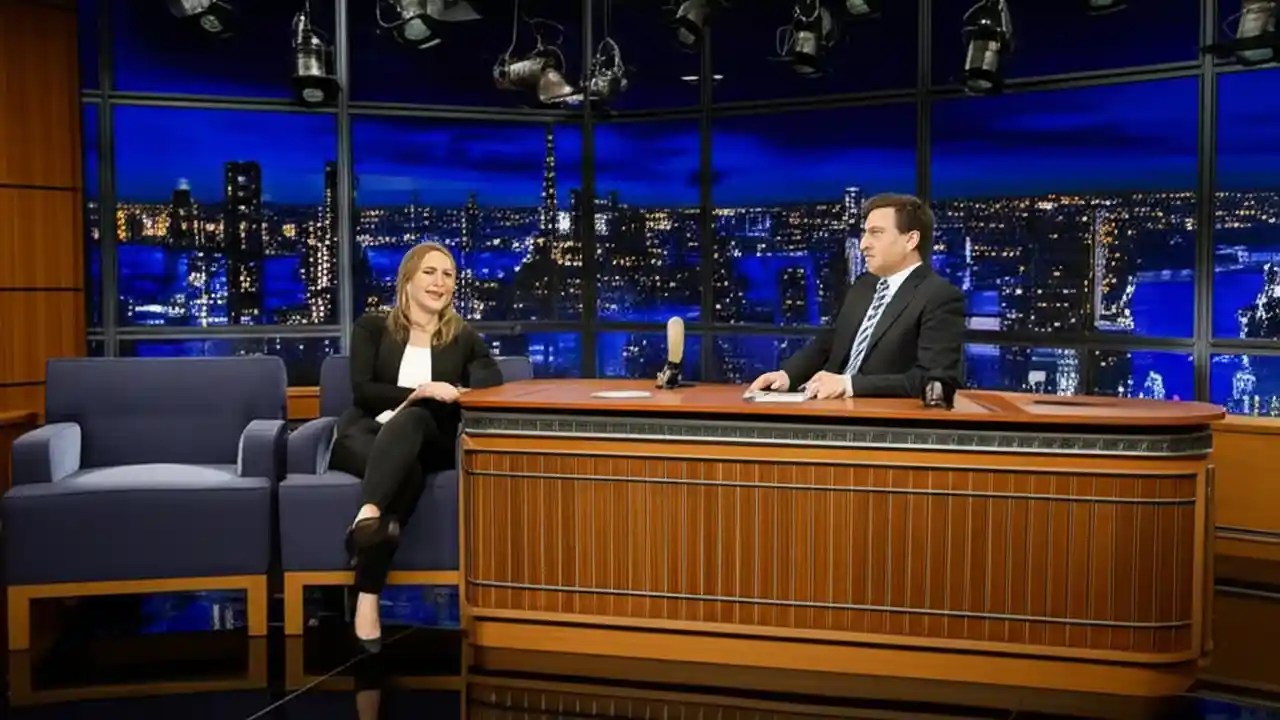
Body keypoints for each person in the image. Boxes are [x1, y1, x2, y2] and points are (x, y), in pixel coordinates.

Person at [327, 241, 502, 652]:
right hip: (368, 434)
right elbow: (364, 390)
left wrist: (460, 389)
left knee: (417, 419)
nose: (440, 282)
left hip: (426, 437)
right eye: (430, 272)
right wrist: (419, 391)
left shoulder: (461, 336)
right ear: (407, 279)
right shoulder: (373, 327)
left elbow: (490, 377)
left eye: (448, 275)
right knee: (409, 471)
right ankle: (367, 597)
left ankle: (366, 519)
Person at [747, 193, 964, 399]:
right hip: (825, 406)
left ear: (911, 240)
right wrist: (787, 376)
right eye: (865, 233)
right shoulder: (864, 285)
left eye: (876, 233)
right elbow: (831, 342)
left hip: (876, 417)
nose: (863, 244)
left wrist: (848, 385)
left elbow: (931, 379)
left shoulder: (939, 296)